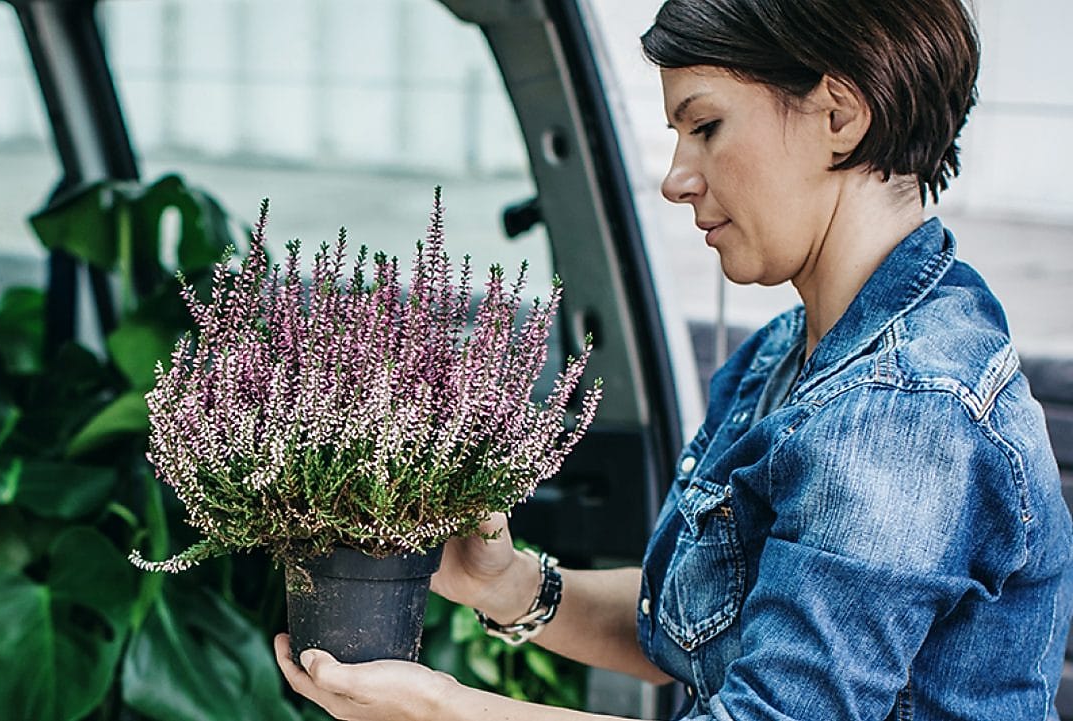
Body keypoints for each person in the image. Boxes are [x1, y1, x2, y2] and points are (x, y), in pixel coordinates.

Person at [273, 0, 1073, 718]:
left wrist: (446, 712)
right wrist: (509, 584)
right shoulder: (785, 362)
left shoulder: (903, 410)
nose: (675, 179)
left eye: (706, 126)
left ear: (841, 113)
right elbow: (704, 626)